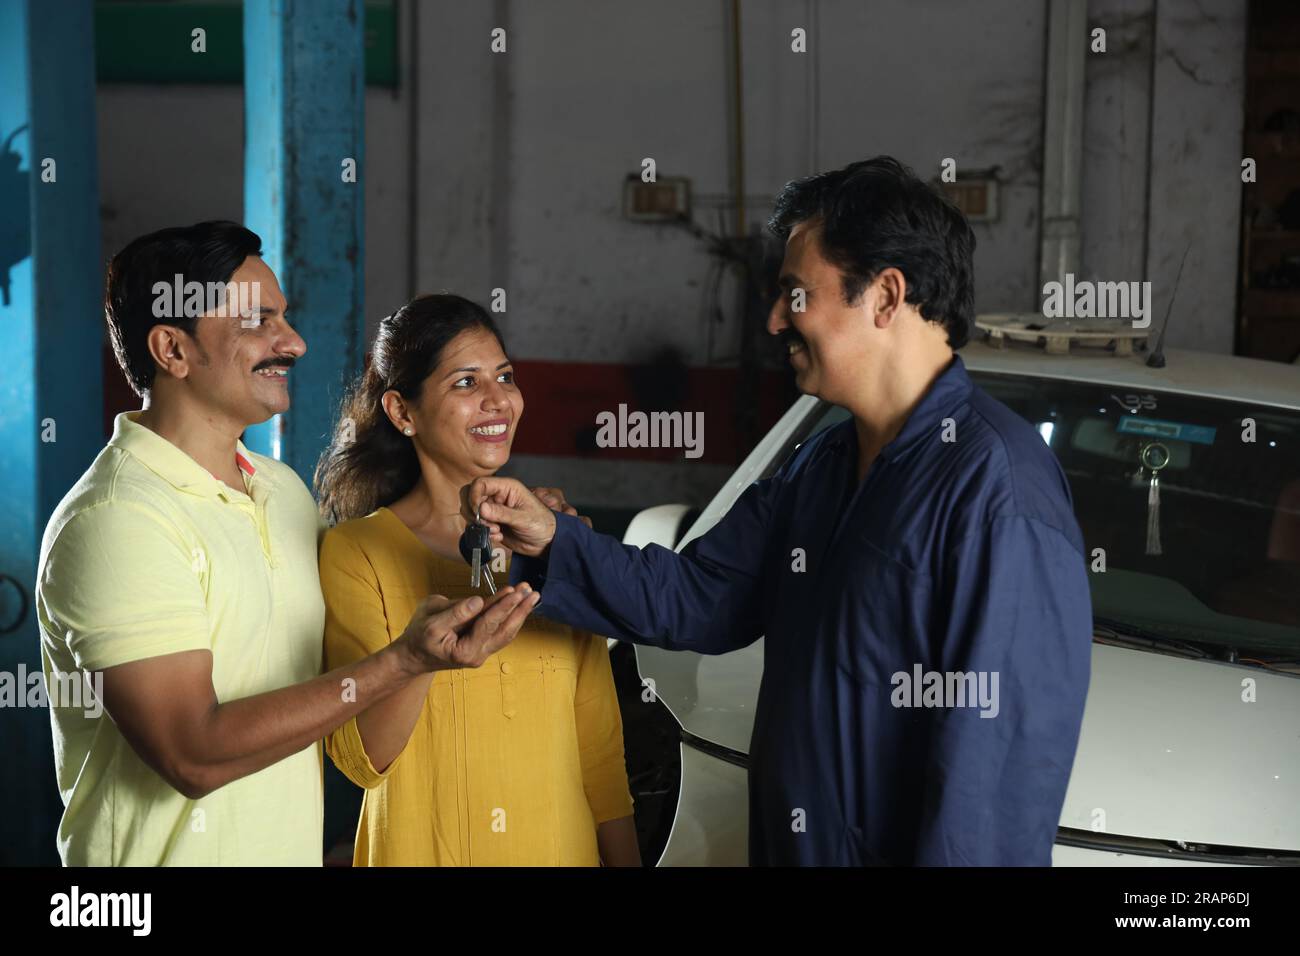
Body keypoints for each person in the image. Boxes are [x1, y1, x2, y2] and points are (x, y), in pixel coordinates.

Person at [461, 158, 1095, 866]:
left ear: (886, 297)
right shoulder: (823, 467)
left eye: (796, 295)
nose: (773, 320)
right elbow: (701, 595)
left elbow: (992, 797)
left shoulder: (996, 493)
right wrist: (550, 540)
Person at [35, 222, 537, 866]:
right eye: (257, 321)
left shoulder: (280, 491)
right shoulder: (117, 519)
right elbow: (192, 753)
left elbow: (373, 582)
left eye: (285, 317)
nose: (292, 342)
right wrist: (403, 663)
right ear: (172, 349)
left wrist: (504, 525)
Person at [314, 294, 639, 866]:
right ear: (402, 412)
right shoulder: (358, 553)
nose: (499, 401)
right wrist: (420, 660)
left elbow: (601, 753)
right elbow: (363, 759)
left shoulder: (554, 539)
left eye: (505, 377)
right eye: (465, 383)